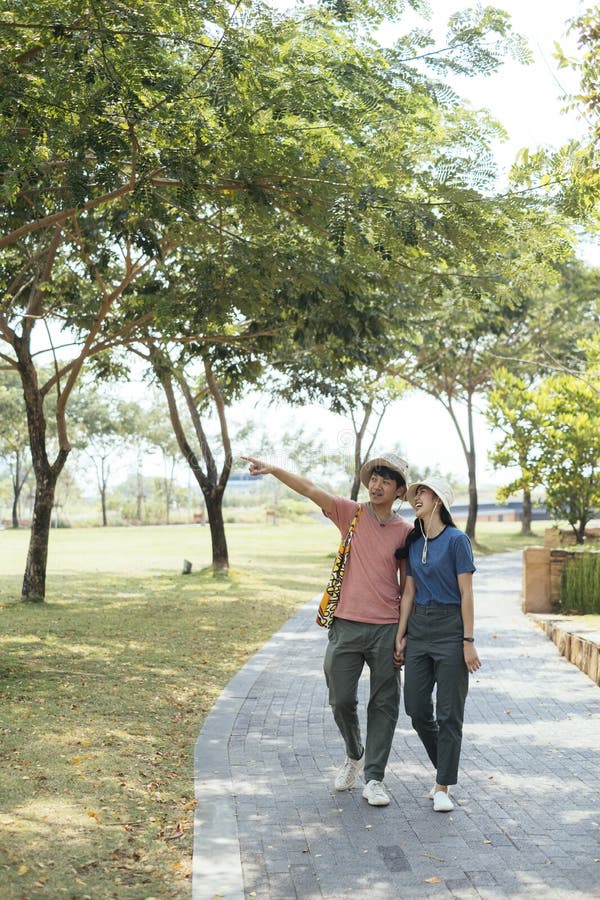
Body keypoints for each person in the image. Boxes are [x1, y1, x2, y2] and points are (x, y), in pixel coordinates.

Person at [243, 452, 412, 806]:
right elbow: (310, 489)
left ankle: (375, 778)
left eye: (386, 481)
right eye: (374, 479)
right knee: (340, 699)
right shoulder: (350, 513)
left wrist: (404, 633)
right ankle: (355, 753)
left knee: (384, 704)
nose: (377, 486)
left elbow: (407, 585)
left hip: (386, 629)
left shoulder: (406, 533)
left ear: (399, 491)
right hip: (346, 626)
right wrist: (274, 470)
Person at [393, 477, 481, 812]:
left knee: (449, 713)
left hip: (450, 628)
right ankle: (443, 766)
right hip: (419, 629)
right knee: (416, 707)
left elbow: (467, 593)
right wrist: (401, 634)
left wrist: (467, 640)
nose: (417, 497)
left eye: (423, 493)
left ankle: (444, 785)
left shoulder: (457, 541)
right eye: (415, 493)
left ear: (438, 501)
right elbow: (409, 593)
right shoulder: (414, 543)